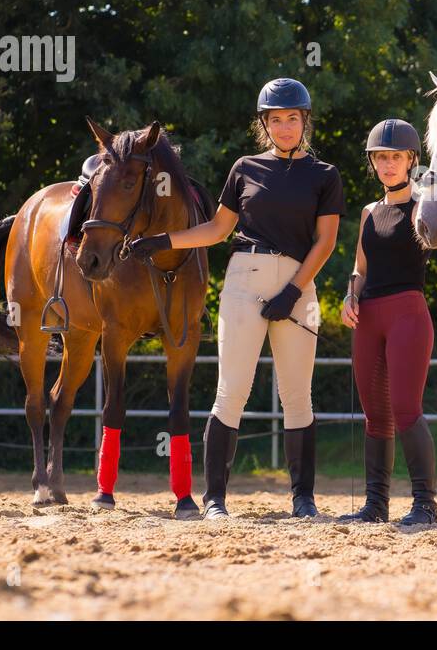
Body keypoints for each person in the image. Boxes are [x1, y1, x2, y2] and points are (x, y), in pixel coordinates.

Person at [129, 78, 343, 519]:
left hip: (299, 284)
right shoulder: (245, 167)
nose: (285, 127)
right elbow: (216, 230)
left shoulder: (325, 175)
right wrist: (163, 240)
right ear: (264, 124)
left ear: (305, 121)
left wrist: (293, 290)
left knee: (298, 395)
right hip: (245, 278)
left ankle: (303, 498)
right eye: (276, 120)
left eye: (293, 119)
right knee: (231, 392)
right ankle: (215, 500)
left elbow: (325, 242)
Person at [338, 118, 437, 525]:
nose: (388, 165)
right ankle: (375, 505)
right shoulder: (369, 212)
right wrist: (350, 296)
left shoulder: (426, 205)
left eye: (396, 158)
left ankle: (425, 504)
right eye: (381, 158)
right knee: (375, 415)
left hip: (407, 315)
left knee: (406, 409)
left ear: (411, 162)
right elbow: (360, 267)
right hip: (368, 318)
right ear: (374, 163)